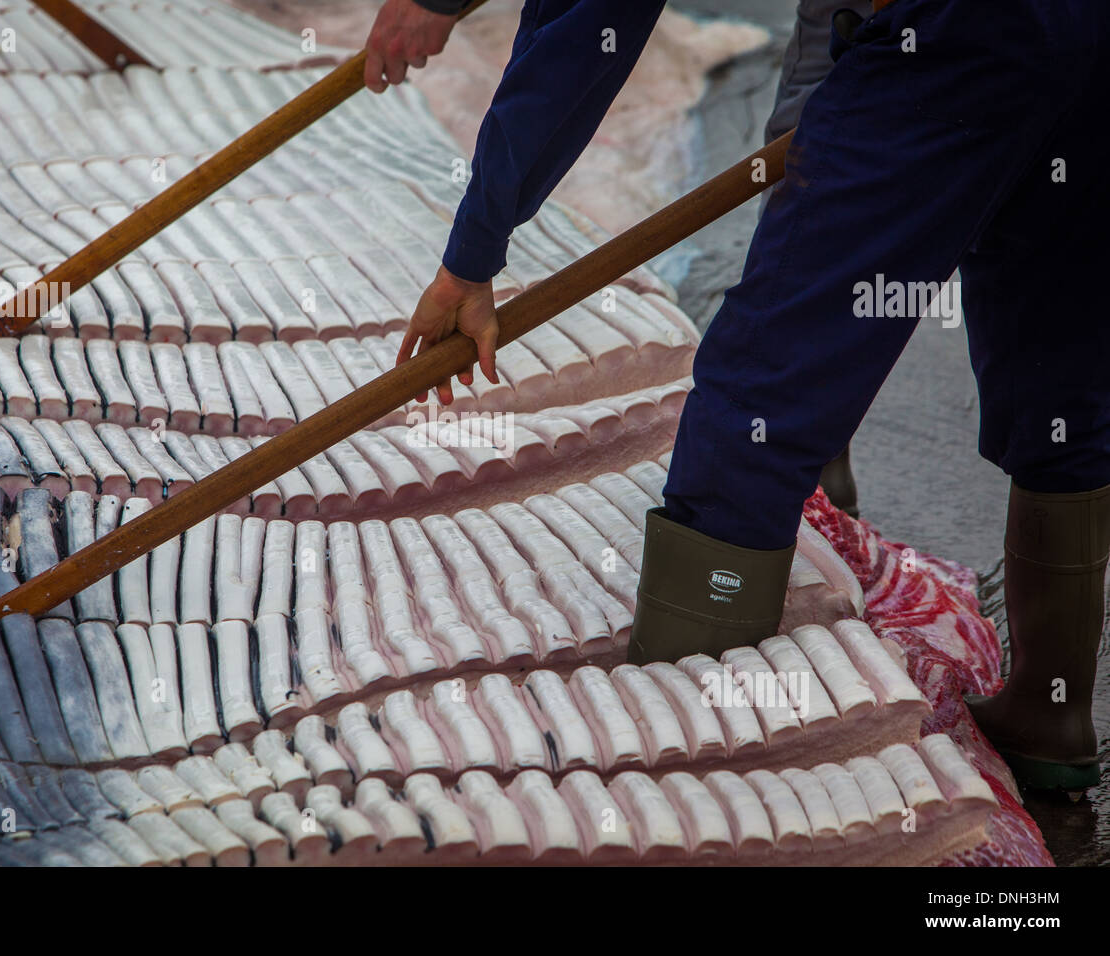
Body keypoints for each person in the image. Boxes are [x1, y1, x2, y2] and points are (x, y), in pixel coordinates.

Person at [371, 0, 1110, 794]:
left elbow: (586, 27)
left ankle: (696, 772)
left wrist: (472, 254)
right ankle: (1050, 713)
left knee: (756, 405)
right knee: (1064, 362)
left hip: (956, 37)